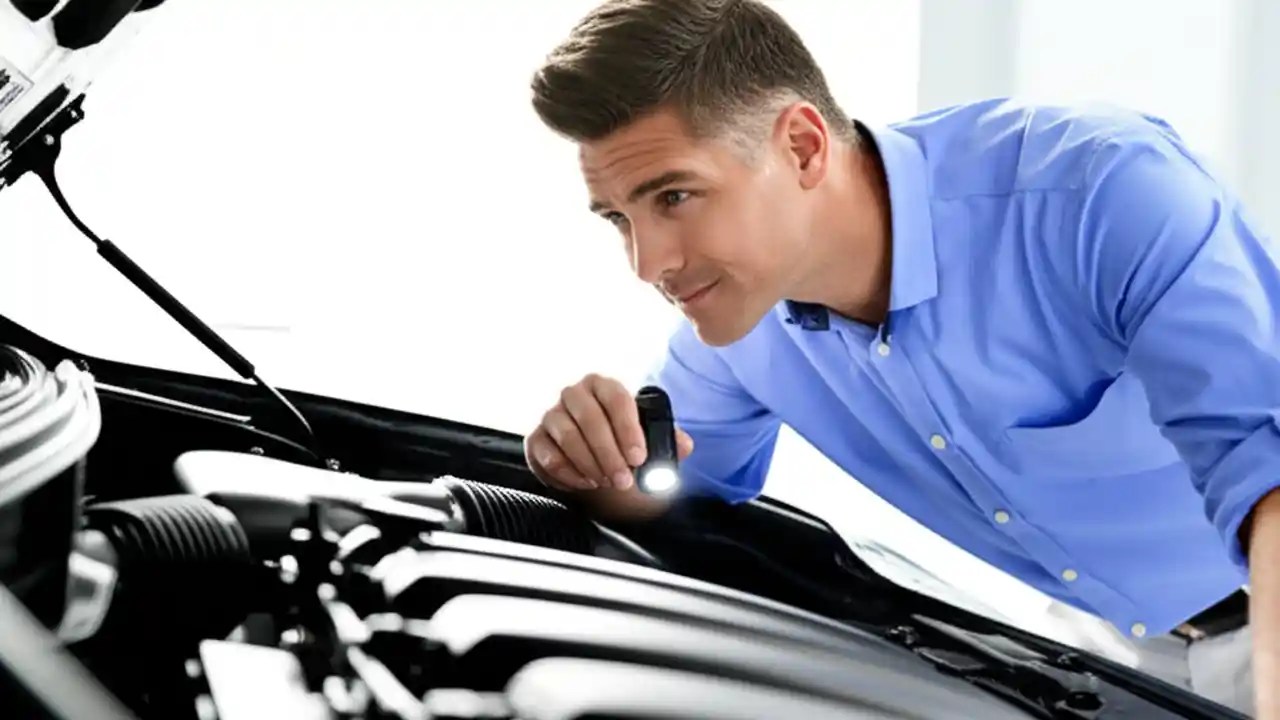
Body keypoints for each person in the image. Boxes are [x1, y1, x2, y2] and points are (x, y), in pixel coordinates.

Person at [521, 0, 1279, 715]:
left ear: (802, 146)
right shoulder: (737, 327)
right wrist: (591, 463)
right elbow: (667, 495)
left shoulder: (1096, 193)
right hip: (1118, 651)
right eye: (618, 217)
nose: (647, 263)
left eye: (675, 198)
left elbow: (1268, 470)